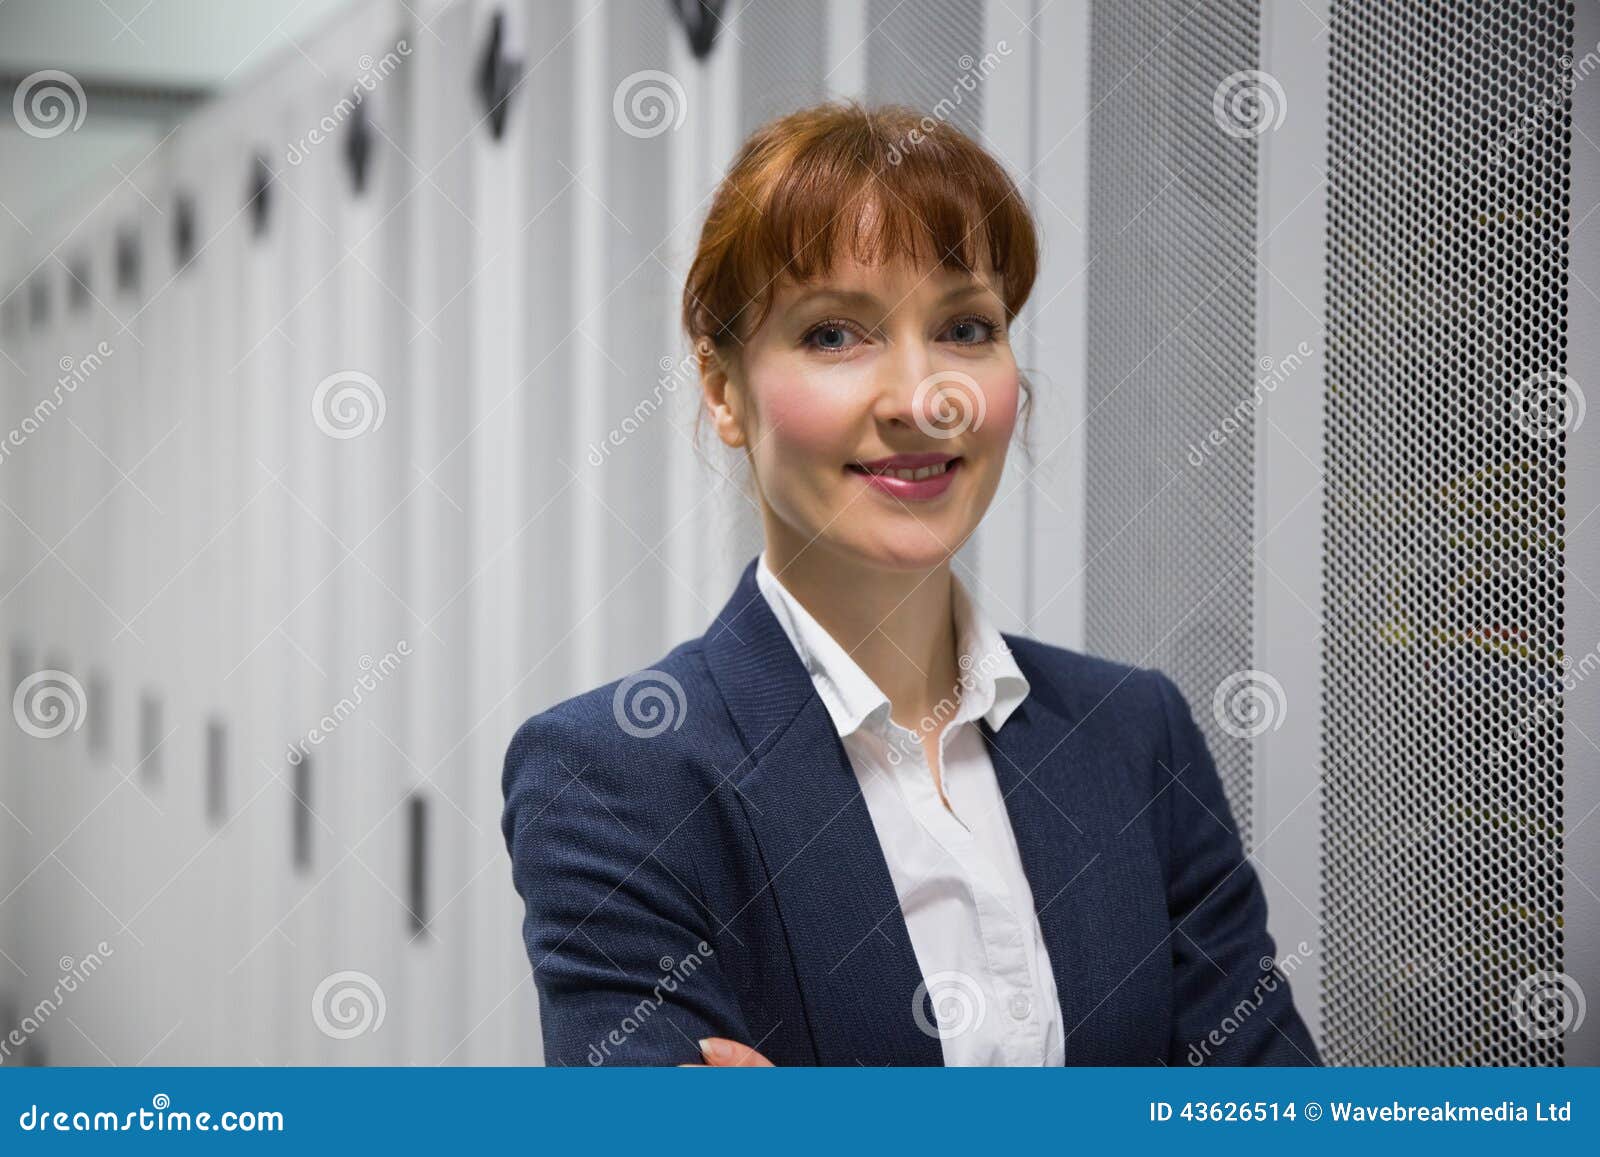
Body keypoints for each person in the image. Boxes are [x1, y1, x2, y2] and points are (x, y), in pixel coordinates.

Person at [500, 101, 1321, 1067]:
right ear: (724, 390)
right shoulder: (615, 776)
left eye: (967, 326)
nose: (923, 399)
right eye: (835, 336)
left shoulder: (1134, 734)